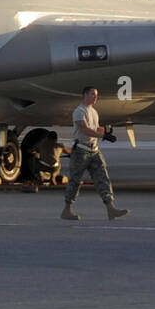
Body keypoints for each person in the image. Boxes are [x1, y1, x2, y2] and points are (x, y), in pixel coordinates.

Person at [62, 87, 128, 221]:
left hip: (94, 150)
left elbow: (95, 127)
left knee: (103, 177)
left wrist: (105, 133)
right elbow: (84, 129)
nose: (95, 97)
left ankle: (111, 208)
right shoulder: (79, 112)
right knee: (75, 180)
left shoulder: (94, 111)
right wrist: (102, 136)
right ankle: (67, 210)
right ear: (85, 95)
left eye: (96, 95)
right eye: (93, 94)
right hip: (81, 150)